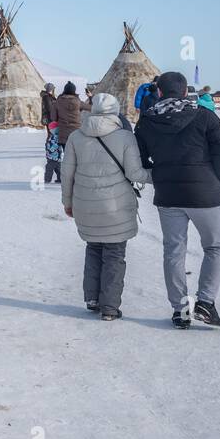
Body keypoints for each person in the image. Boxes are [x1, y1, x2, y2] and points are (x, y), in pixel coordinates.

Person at [135, 71, 220, 329]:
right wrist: (215, 180)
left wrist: (161, 173)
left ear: (159, 92)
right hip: (205, 195)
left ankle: (181, 310)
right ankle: (205, 303)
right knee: (214, 248)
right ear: (184, 92)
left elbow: (140, 158)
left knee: (174, 251)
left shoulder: (147, 121)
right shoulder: (204, 115)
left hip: (168, 195)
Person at [61, 94, 152, 321]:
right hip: (116, 207)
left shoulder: (75, 136)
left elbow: (67, 174)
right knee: (114, 254)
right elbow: (134, 173)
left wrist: (68, 203)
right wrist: (161, 175)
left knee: (93, 248)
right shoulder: (124, 137)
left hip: (85, 204)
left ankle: (92, 299)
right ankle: (110, 307)